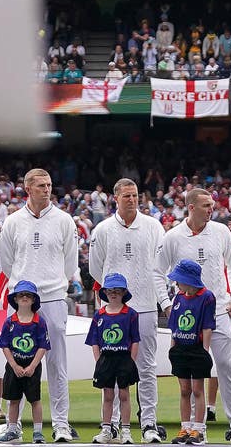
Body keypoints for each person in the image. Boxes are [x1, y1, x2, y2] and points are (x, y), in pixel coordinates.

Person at [159, 189, 231, 443]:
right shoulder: (173, 237)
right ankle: (191, 428)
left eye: (212, 205)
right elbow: (158, 272)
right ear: (191, 207)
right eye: (205, 205)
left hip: (220, 309)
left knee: (226, 367)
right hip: (188, 316)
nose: (211, 209)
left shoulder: (221, 231)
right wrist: (167, 304)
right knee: (191, 372)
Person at [0, 169, 79, 443]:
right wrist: (23, 289)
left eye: (49, 184)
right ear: (28, 188)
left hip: (54, 296)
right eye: (42, 185)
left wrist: (55, 283)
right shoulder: (12, 222)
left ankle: (61, 424)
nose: (47, 189)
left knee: (57, 363)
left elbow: (70, 263)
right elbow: (7, 263)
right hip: (21, 298)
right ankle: (14, 425)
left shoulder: (64, 220)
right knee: (17, 363)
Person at [88, 179, 167, 443]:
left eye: (135, 196)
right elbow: (94, 269)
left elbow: (162, 265)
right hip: (112, 310)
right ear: (116, 198)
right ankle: (108, 427)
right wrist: (115, 296)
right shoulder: (103, 229)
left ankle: (149, 425)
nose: (132, 200)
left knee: (146, 367)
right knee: (108, 368)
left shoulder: (154, 227)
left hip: (145, 305)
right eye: (127, 196)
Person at [166, 259, 216, 445]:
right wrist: (172, 348)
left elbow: (207, 326)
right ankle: (185, 427)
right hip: (180, 348)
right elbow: (173, 326)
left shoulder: (207, 297)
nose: (177, 283)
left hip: (196, 349)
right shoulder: (178, 297)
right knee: (185, 389)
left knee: (197, 389)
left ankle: (199, 429)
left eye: (179, 279)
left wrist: (205, 351)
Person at [87, 273, 141, 445]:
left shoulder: (131, 314)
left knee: (124, 394)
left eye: (118, 290)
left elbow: (135, 340)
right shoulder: (100, 315)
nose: (114, 294)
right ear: (105, 292)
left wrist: (131, 361)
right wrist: (99, 361)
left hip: (124, 358)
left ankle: (125, 430)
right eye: (110, 290)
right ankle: (106, 430)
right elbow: (94, 341)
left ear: (124, 292)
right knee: (108, 395)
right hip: (106, 359)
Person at [0, 280, 49, 443]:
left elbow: (43, 346)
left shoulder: (39, 322)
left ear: (33, 299)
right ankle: (12, 430)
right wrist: (14, 365)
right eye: (21, 295)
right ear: (15, 299)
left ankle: (38, 432)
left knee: (35, 399)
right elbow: (4, 346)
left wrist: (32, 366)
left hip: (33, 365)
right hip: (14, 366)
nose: (24, 297)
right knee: (13, 399)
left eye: (28, 295)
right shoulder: (10, 322)